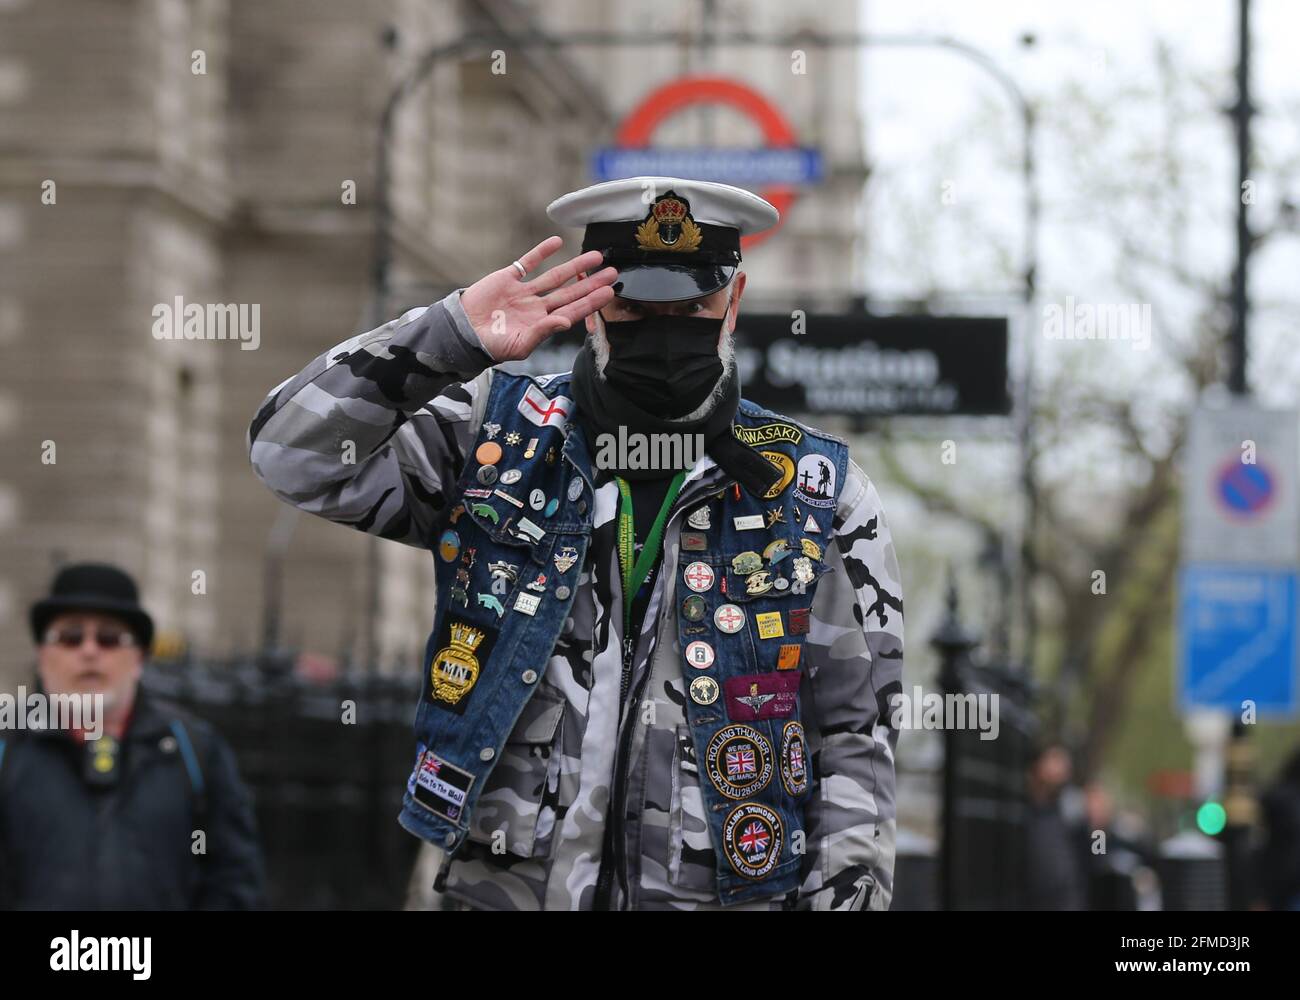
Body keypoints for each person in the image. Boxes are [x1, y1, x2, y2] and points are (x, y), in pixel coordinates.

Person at [249, 176, 904, 910]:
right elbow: (291, 453)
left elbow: (855, 743)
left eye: (691, 307)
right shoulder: (494, 437)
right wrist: (451, 335)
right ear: (589, 305)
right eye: (631, 304)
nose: (663, 330)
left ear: (734, 302)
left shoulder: (814, 491)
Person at [0, 563, 265, 909]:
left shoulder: (195, 751)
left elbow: (234, 881)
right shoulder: (8, 748)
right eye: (69, 637)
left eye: (109, 638)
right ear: (42, 655)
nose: (89, 651)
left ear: (139, 656)